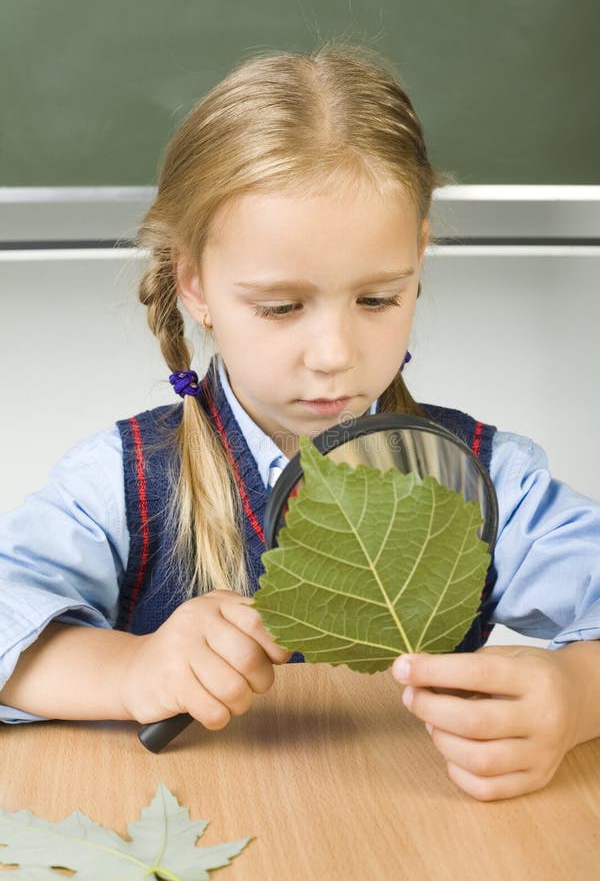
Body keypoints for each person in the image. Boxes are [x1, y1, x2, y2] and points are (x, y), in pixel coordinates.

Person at [1, 43, 599, 803]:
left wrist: (579, 693)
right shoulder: (117, 482)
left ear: (419, 259)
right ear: (193, 282)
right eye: (282, 307)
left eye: (378, 299)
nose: (335, 356)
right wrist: (128, 670)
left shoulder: (490, 479)